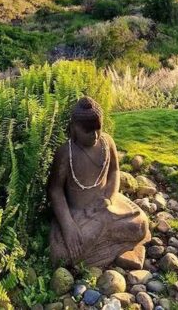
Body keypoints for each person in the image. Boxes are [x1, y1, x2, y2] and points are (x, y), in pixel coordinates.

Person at [48, 96, 150, 268]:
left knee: (140, 225)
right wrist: (68, 225)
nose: (95, 135)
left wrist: (109, 197)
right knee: (60, 255)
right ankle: (107, 251)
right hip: (79, 214)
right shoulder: (66, 153)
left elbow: (115, 171)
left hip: (107, 207)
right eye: (88, 131)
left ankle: (94, 256)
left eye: (98, 129)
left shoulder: (106, 142)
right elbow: (55, 190)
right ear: (74, 128)